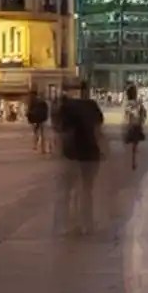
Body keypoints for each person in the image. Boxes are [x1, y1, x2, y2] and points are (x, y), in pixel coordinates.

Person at [54, 91, 107, 237]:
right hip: (90, 155)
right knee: (86, 191)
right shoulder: (92, 106)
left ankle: (67, 225)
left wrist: (59, 153)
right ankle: (86, 225)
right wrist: (103, 150)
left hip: (71, 155)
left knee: (67, 191)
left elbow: (62, 134)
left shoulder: (65, 108)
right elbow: (98, 131)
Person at [123, 84, 147, 170]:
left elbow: (128, 115)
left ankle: (132, 162)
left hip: (131, 126)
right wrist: (141, 121)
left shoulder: (129, 104)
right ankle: (134, 162)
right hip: (137, 126)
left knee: (129, 145)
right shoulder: (138, 103)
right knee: (135, 146)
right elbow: (143, 114)